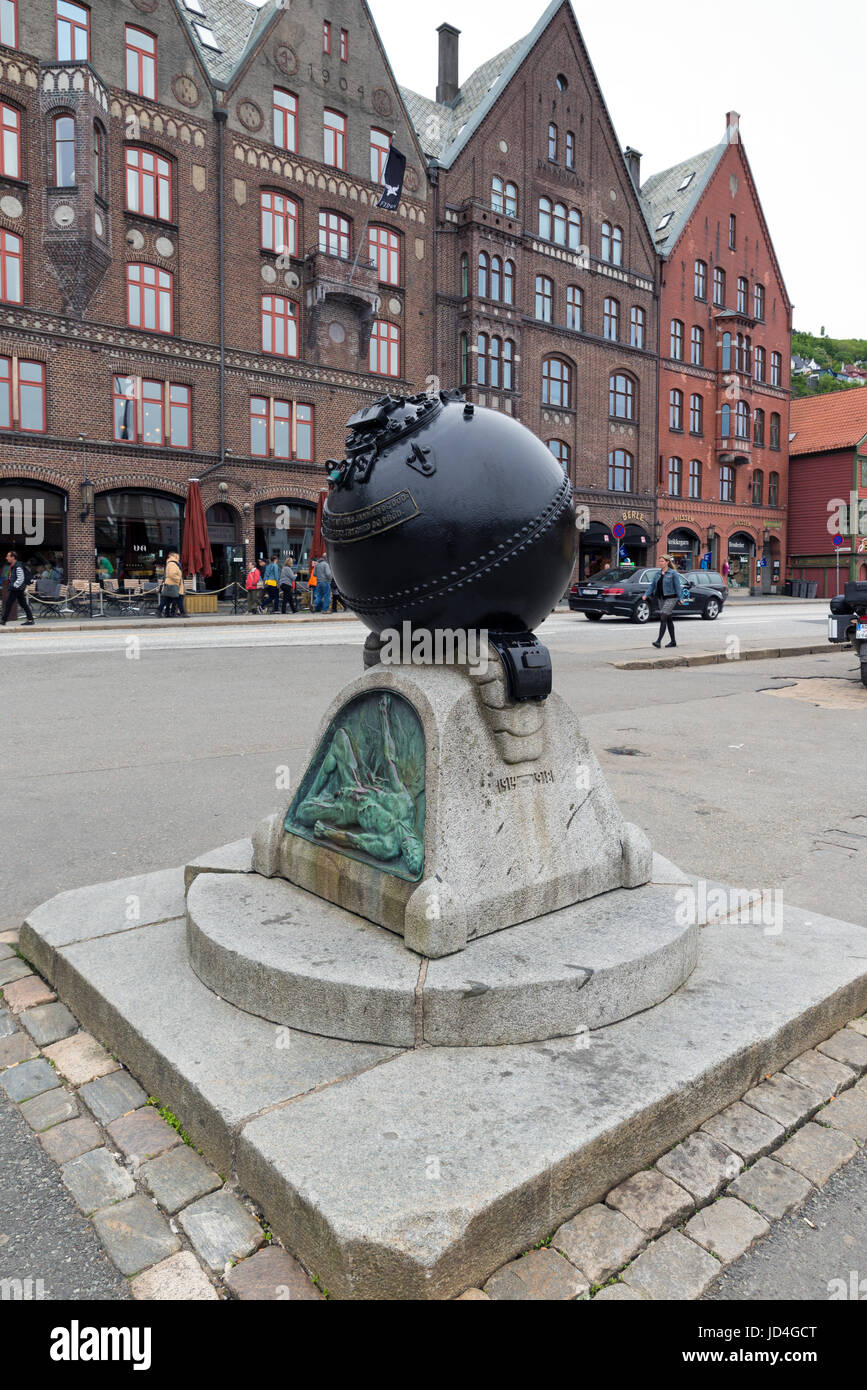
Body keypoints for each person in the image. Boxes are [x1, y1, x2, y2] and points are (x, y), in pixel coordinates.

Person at [650, 556, 684, 649]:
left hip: (671, 598)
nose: (660, 562)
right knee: (668, 619)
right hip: (661, 599)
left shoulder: (673, 573)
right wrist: (646, 594)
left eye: (662, 561)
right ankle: (673, 641)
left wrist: (680, 598)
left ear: (667, 562)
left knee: (663, 616)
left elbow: (678, 587)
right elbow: (652, 585)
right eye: (659, 561)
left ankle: (658, 641)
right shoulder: (657, 573)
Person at [1, 551, 35, 626]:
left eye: (8, 556)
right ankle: (30, 620)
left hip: (17, 589)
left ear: (13, 557)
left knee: (8, 603)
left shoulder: (18, 566)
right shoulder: (14, 565)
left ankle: (3, 620)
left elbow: (21, 578)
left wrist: (14, 586)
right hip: (18, 588)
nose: (6, 558)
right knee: (23, 604)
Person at [161, 552, 183, 618]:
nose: (179, 557)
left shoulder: (172, 563)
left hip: (173, 584)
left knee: (169, 599)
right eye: (178, 555)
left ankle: (168, 613)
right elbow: (172, 574)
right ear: (175, 556)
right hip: (173, 584)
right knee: (175, 599)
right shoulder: (173, 563)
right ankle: (179, 613)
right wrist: (179, 579)